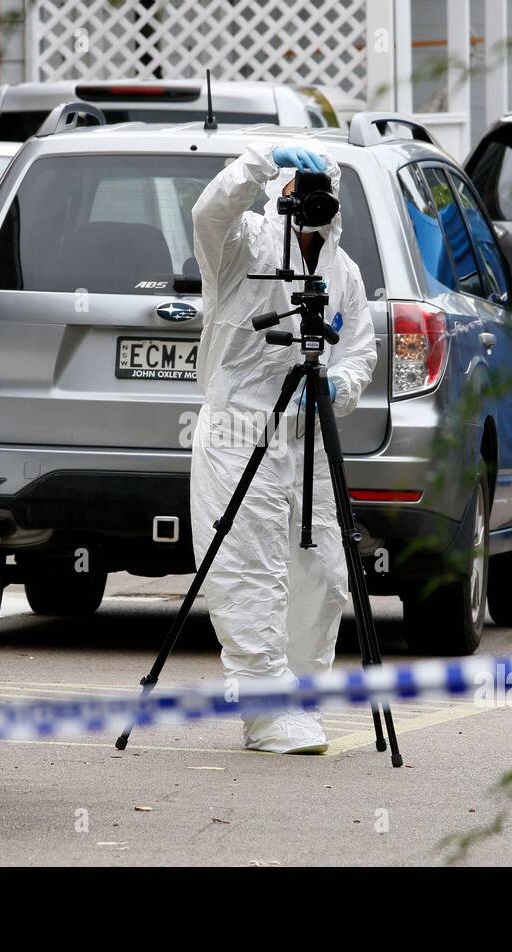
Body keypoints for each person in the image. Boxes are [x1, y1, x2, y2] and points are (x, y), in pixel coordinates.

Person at [190, 143, 376, 754]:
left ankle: (302, 696)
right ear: (283, 194)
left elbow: (359, 351)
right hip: (239, 429)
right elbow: (208, 214)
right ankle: (265, 708)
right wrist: (256, 164)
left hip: (307, 435)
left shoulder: (343, 272)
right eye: (302, 189)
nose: (313, 203)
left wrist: (339, 386)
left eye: (323, 190)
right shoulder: (243, 245)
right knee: (246, 561)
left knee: (321, 565)